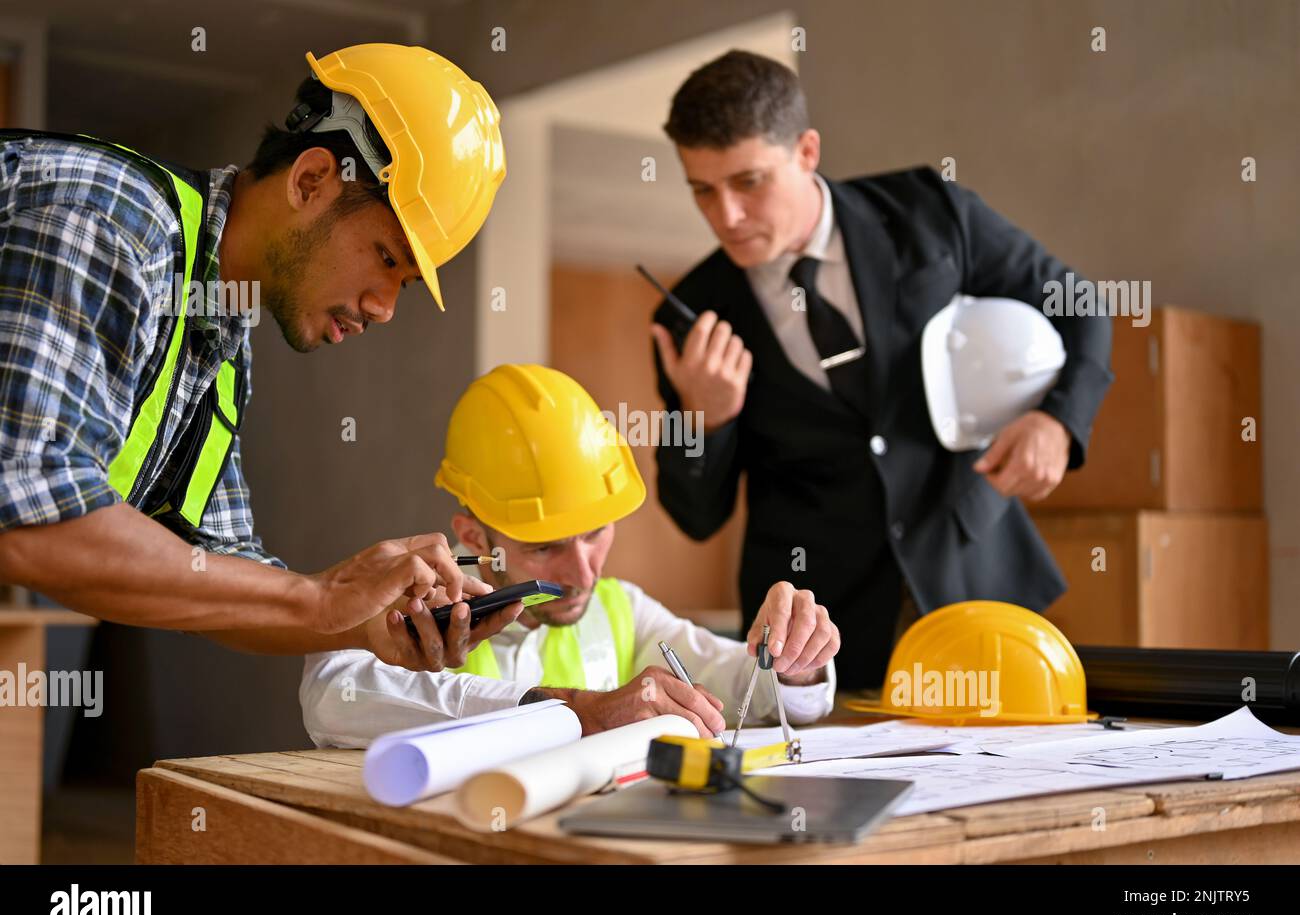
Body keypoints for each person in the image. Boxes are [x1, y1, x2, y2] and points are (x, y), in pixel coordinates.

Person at [0, 44, 519, 672]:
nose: (385, 307)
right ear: (310, 181)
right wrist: (318, 600)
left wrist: (363, 627)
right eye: (387, 257)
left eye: (404, 283)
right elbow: (27, 513)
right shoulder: (113, 223)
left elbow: (216, 569)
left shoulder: (220, 341)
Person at [649, 50, 1113, 688]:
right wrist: (705, 421)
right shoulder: (691, 314)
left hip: (977, 579)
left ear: (807, 152)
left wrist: (1058, 422)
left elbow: (1081, 304)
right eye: (702, 189)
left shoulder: (928, 211)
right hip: (817, 639)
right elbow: (696, 516)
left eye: (748, 181)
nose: (725, 215)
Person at [301, 364, 840, 746]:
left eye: (596, 533)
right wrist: (574, 711)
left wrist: (795, 660)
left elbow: (773, 700)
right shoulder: (406, 597)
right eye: (545, 546)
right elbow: (331, 699)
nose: (584, 572)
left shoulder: (622, 610)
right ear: (475, 536)